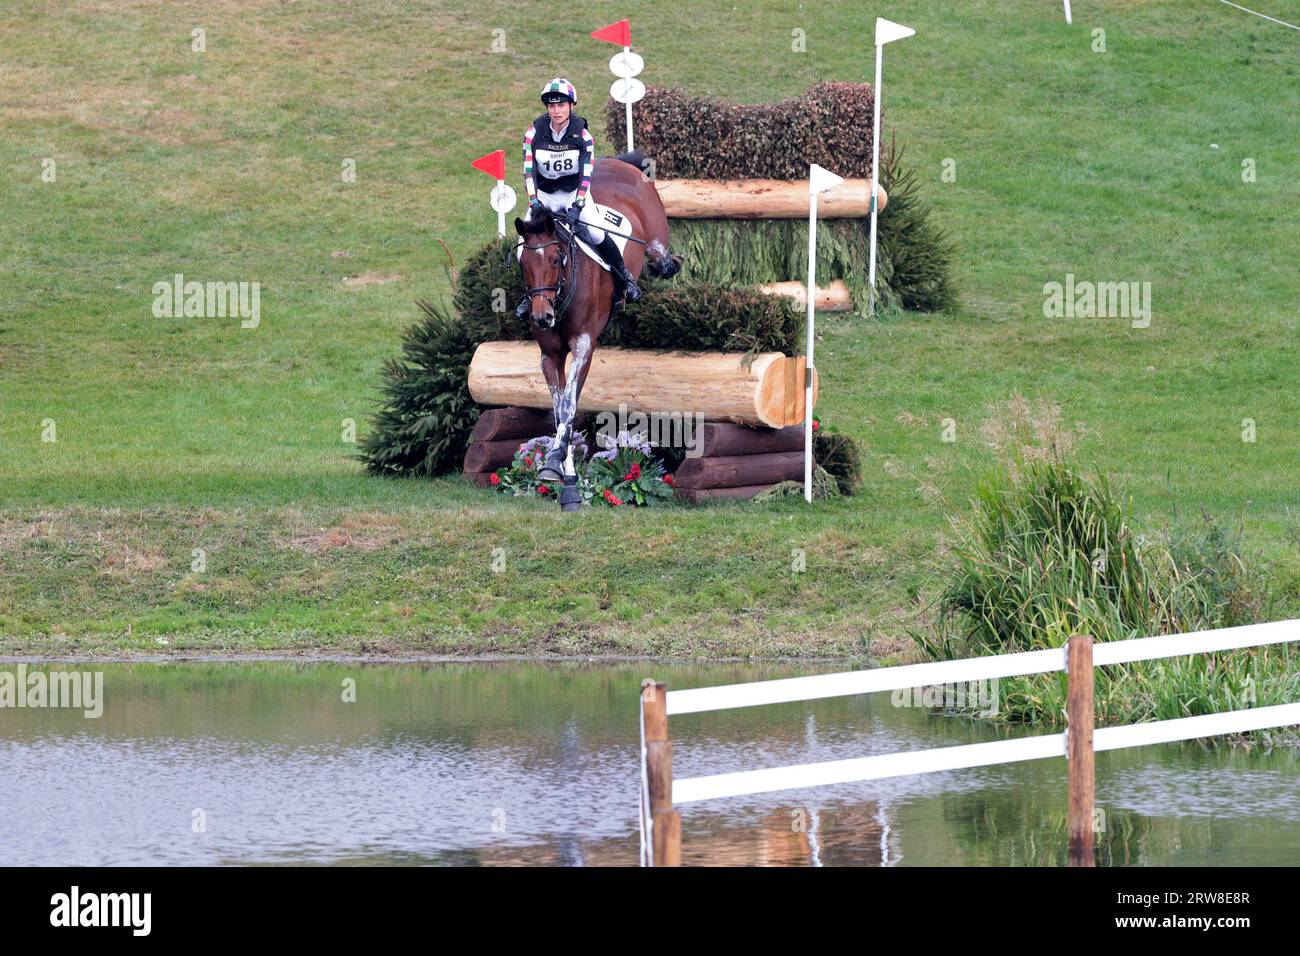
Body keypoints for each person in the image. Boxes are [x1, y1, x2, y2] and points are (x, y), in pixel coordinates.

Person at [520, 77, 642, 314]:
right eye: (552, 106)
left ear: (571, 106)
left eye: (561, 105)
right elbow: (528, 171)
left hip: (573, 194)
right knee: (522, 245)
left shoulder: (583, 136)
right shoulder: (533, 134)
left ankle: (625, 279)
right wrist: (534, 203)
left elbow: (586, 174)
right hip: (544, 196)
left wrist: (577, 205)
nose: (556, 110)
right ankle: (528, 297)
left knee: (596, 232)